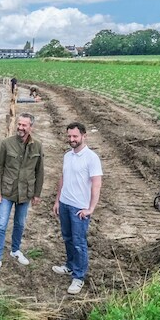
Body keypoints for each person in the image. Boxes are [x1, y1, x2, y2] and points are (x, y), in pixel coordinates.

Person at [0, 113, 44, 275]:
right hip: (7, 191)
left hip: (25, 193)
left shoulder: (37, 146)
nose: (20, 127)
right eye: (19, 124)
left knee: (20, 223)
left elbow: (39, 171)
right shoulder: (7, 143)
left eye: (24, 125)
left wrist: (37, 194)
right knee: (1, 224)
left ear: (31, 127)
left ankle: (15, 250)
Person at [51, 122, 102, 294]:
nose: (71, 139)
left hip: (79, 209)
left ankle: (79, 277)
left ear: (84, 136)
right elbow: (63, 179)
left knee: (79, 243)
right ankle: (70, 266)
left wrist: (91, 208)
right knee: (67, 238)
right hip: (65, 204)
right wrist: (58, 200)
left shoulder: (91, 158)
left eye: (75, 136)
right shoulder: (67, 156)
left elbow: (96, 185)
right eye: (69, 136)